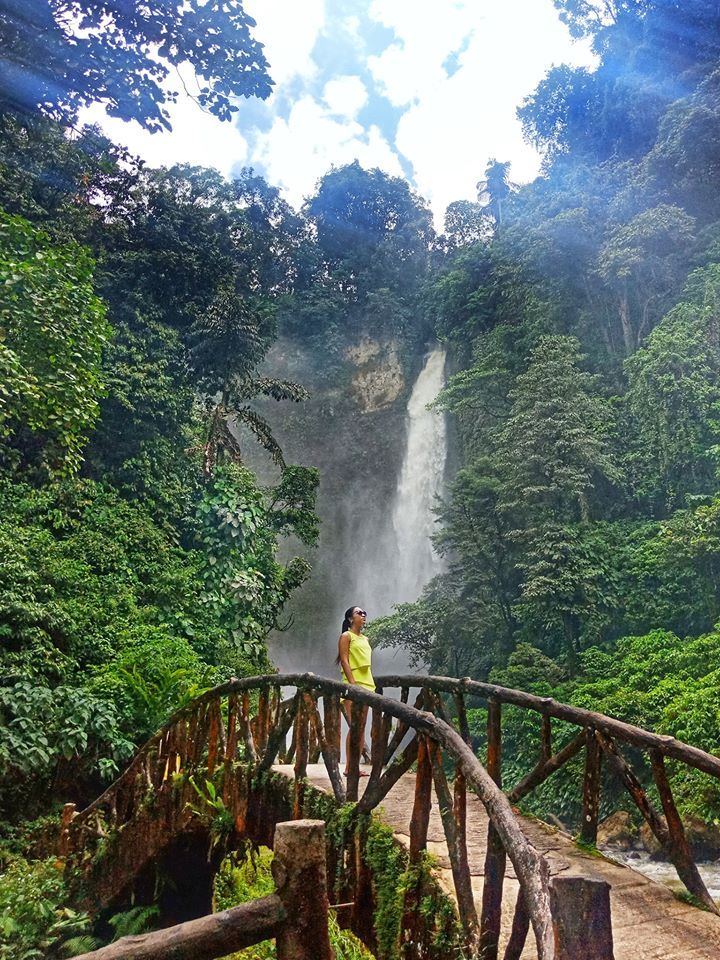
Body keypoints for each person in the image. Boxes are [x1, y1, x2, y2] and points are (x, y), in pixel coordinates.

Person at [337, 604, 374, 776]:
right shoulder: (346, 636)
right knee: (355, 726)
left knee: (362, 726)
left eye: (364, 613)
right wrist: (352, 684)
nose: (363, 615)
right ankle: (348, 768)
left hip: (367, 684)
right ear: (351, 618)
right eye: (359, 613)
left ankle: (355, 767)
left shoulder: (365, 639)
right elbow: (344, 660)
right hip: (353, 684)